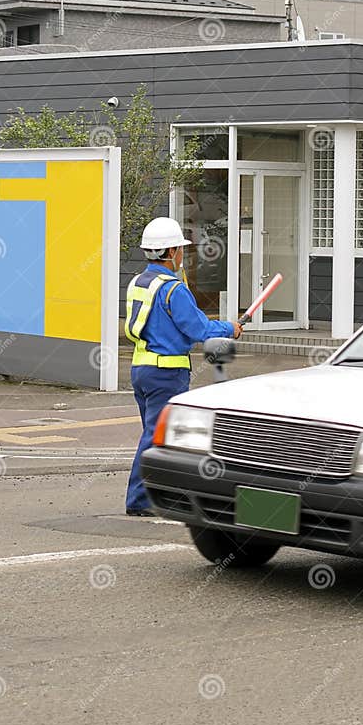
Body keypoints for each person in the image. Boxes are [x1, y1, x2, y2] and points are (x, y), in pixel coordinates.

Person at [124, 217, 242, 516]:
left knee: (155, 435)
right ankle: (140, 500)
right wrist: (230, 327)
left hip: (141, 369)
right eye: (180, 250)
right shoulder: (173, 290)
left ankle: (161, 494)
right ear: (171, 251)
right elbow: (199, 330)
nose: (183, 255)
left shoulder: (138, 283)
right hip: (167, 372)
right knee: (156, 437)